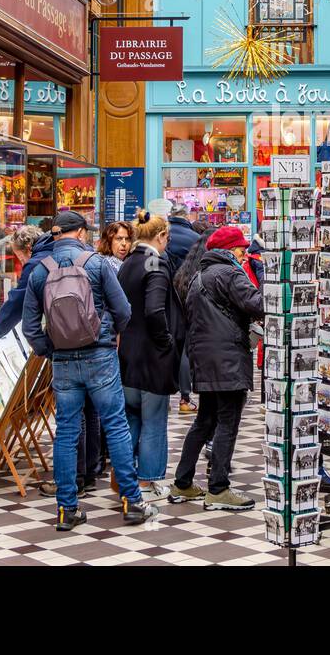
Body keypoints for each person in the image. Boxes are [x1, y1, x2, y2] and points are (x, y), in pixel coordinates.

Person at [23, 210, 157, 529]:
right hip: (100, 355)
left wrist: (50, 348)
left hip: (63, 361)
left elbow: (30, 326)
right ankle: (132, 502)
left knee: (67, 431)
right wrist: (109, 336)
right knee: (115, 424)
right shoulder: (96, 263)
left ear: (55, 236)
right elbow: (123, 309)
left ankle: (67, 509)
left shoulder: (40, 270)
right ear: (82, 233)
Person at [0, 223, 98, 498]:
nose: (20, 263)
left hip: (63, 345)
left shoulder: (38, 264)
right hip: (93, 345)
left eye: (19, 258)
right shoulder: (82, 257)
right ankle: (89, 470)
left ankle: (74, 479)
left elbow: (18, 307)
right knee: (90, 409)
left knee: (71, 416)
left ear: (27, 250)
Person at [168, 226, 264, 510]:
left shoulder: (199, 276)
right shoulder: (229, 273)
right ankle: (218, 489)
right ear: (228, 250)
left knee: (205, 421)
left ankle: (182, 482)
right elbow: (258, 304)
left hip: (205, 359)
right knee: (227, 422)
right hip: (228, 360)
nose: (243, 253)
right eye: (239, 248)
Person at [117, 211, 178, 498]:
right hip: (152, 354)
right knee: (154, 419)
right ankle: (146, 480)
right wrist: (166, 341)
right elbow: (155, 309)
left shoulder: (127, 262)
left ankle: (124, 477)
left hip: (127, 352)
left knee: (131, 418)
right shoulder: (155, 262)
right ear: (161, 236)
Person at [164, 202, 201, 415]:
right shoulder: (193, 238)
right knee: (185, 346)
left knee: (165, 343)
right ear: (186, 216)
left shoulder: (164, 235)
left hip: (162, 295)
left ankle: (164, 393)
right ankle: (185, 397)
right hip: (185, 296)